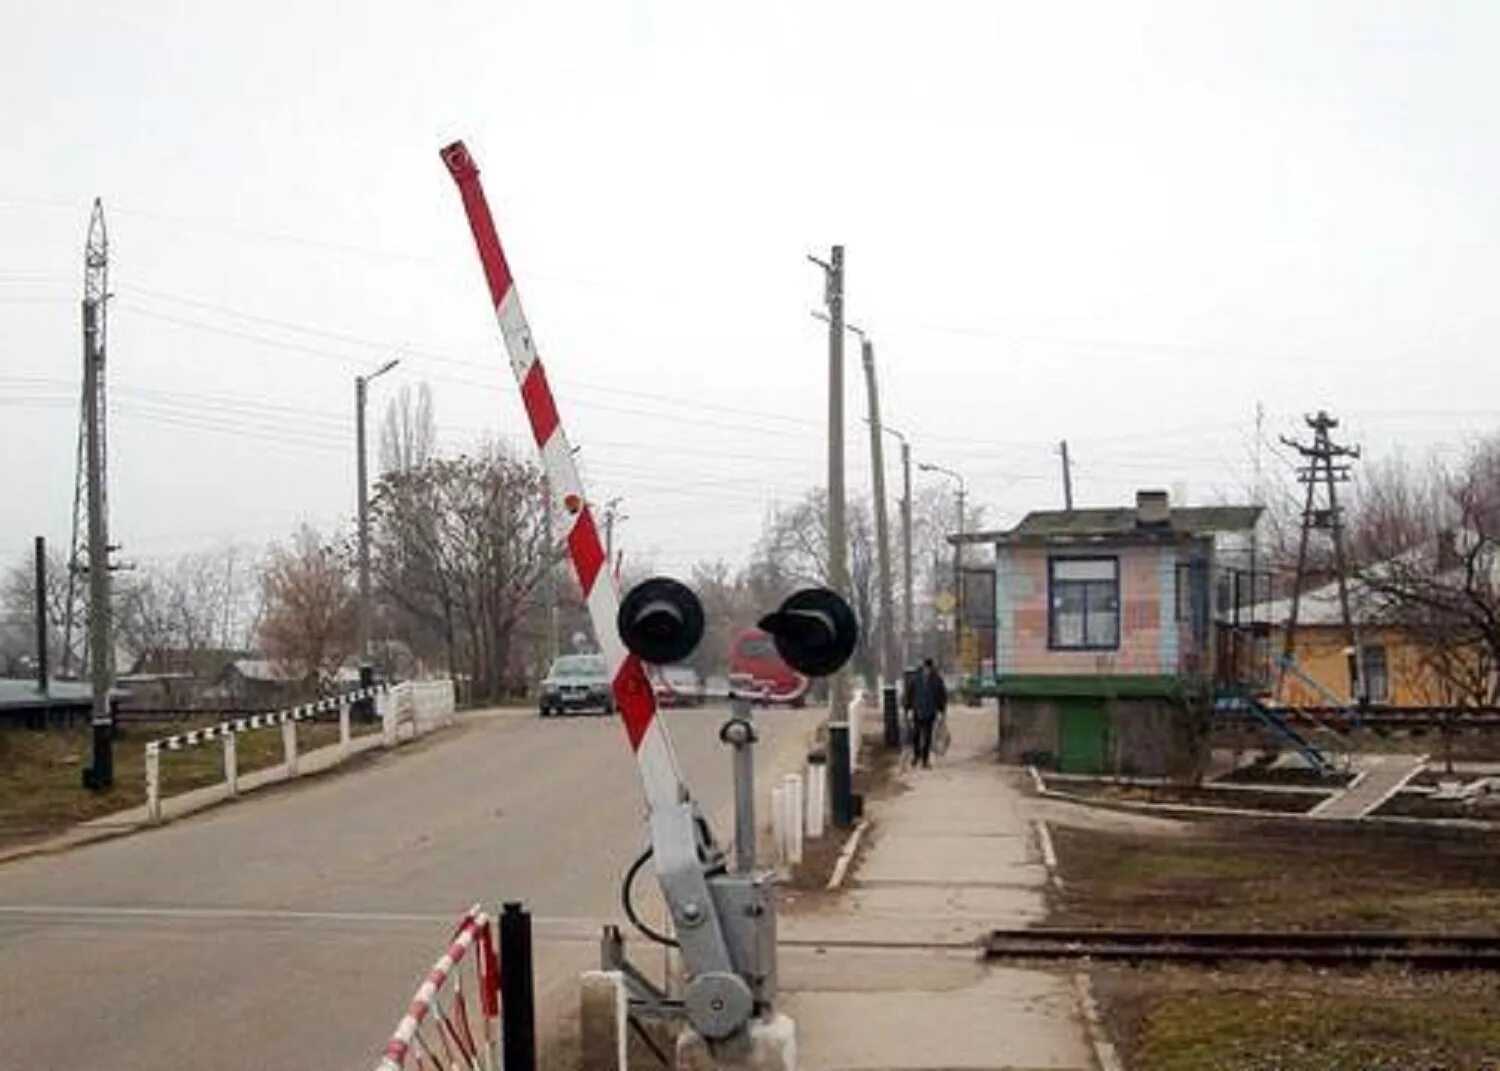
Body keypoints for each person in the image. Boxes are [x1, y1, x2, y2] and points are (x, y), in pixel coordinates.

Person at [910, 658, 947, 768]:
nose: (927, 671)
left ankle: (925, 760)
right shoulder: (915, 680)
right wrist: (908, 709)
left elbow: (942, 696)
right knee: (916, 735)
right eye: (925, 669)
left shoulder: (937, 681)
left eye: (929, 669)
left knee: (927, 737)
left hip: (930, 712)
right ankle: (916, 755)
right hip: (918, 711)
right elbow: (910, 694)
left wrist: (941, 711)